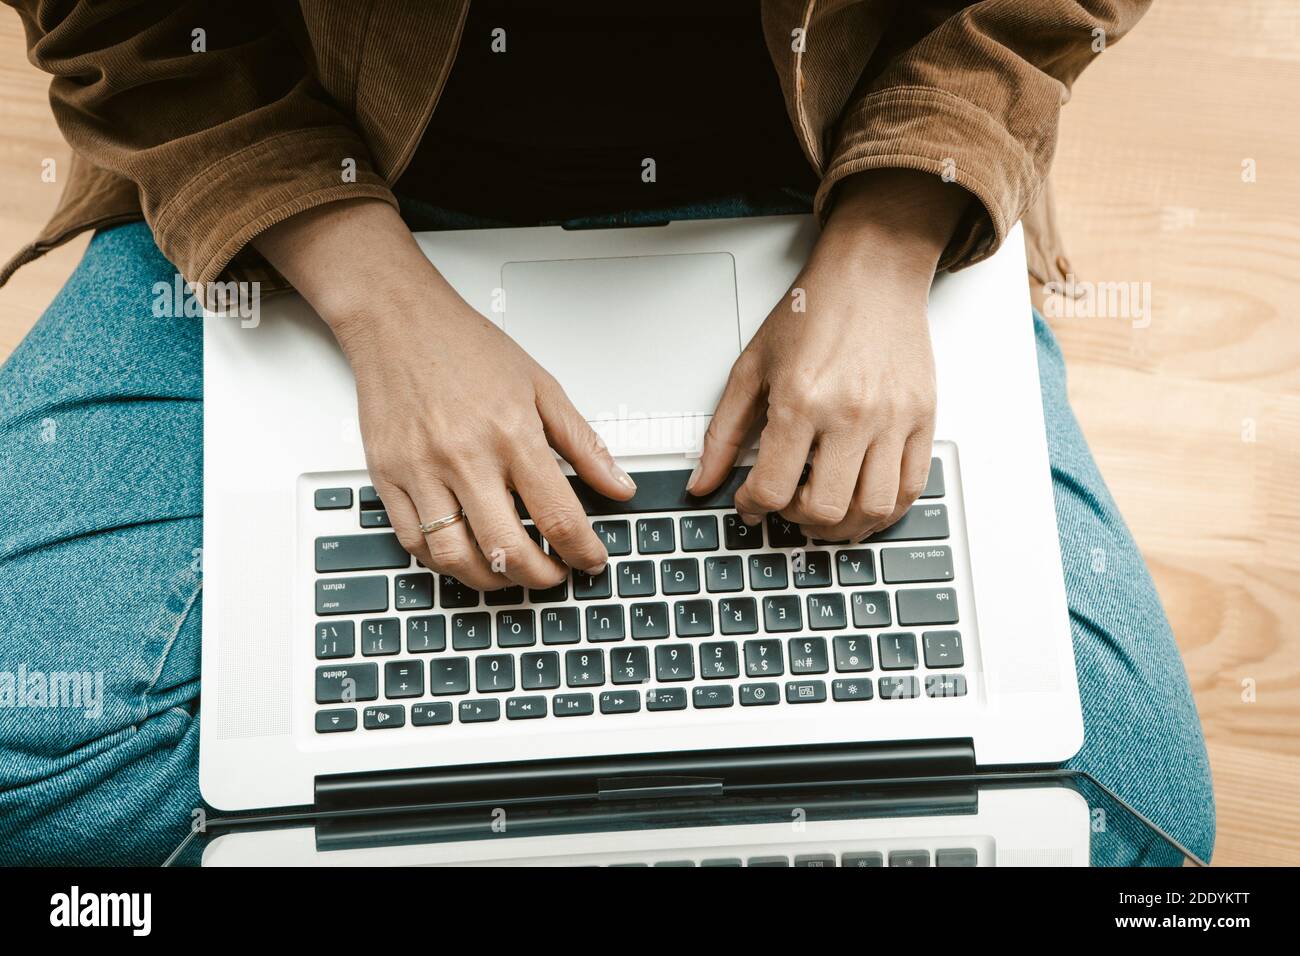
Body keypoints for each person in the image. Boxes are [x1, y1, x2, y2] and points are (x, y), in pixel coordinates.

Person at [0, 0, 1214, 865]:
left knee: (1127, 813)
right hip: (293, 167)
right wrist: (377, 297)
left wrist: (888, 238)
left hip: (835, 179)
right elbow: (125, 20)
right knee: (32, 789)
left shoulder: (874, 220)